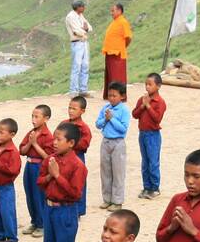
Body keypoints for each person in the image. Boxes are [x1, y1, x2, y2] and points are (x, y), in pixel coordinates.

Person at [38, 122, 87, 242]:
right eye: (54, 138)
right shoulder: (50, 159)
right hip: (49, 209)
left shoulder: (77, 165)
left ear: (71, 143)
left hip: (66, 210)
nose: (54, 142)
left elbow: (75, 193)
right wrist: (51, 175)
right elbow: (40, 182)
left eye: (59, 139)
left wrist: (58, 176)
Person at [0, 119, 22, 242]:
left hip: (6, 187)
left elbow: (13, 171)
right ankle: (0, 235)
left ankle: (12, 238)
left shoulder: (13, 152)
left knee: (8, 213)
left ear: (12, 134)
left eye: (2, 133)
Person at [96, 82, 130, 212]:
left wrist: (112, 119)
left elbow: (123, 129)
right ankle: (107, 199)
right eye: (109, 95)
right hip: (105, 142)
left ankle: (117, 201)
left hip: (118, 143)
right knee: (105, 171)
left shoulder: (124, 111)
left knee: (118, 172)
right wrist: (105, 119)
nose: (111, 98)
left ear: (122, 96)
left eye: (114, 95)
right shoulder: (105, 108)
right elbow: (98, 124)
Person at [19, 107, 53, 238]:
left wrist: (35, 144)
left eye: (37, 117)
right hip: (29, 166)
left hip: (40, 167)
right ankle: (34, 221)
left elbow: (48, 156)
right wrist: (30, 143)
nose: (33, 120)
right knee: (30, 195)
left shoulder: (47, 136)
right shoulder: (31, 133)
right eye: (32, 116)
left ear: (46, 119)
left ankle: (42, 224)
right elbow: (22, 151)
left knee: (39, 196)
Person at [132, 73, 166, 200]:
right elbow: (134, 114)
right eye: (146, 84)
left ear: (158, 86)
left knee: (153, 162)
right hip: (143, 134)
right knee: (145, 162)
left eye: (150, 84)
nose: (147, 87)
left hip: (153, 135)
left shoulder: (160, 102)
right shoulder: (142, 99)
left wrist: (148, 106)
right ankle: (146, 187)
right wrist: (142, 106)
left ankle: (155, 187)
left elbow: (157, 119)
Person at [66, 95, 92, 214]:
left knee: (78, 182)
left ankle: (79, 210)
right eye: (69, 108)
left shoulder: (84, 128)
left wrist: (70, 143)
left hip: (77, 157)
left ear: (82, 111)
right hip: (64, 157)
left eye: (74, 109)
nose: (70, 111)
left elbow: (84, 144)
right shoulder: (64, 124)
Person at [102, 2, 134, 89]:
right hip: (110, 53)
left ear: (119, 11)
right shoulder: (114, 22)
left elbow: (128, 37)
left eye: (113, 11)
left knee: (117, 76)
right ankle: (111, 95)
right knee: (111, 76)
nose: (111, 13)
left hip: (118, 54)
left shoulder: (123, 22)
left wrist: (122, 47)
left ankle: (119, 96)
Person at [66, 0, 92, 96]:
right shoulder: (70, 17)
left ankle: (83, 90)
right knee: (76, 67)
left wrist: (84, 29)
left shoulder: (81, 16)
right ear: (78, 7)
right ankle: (73, 91)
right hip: (76, 43)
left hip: (84, 42)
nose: (84, 8)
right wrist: (83, 29)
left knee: (85, 66)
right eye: (83, 6)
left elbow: (89, 27)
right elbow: (76, 31)